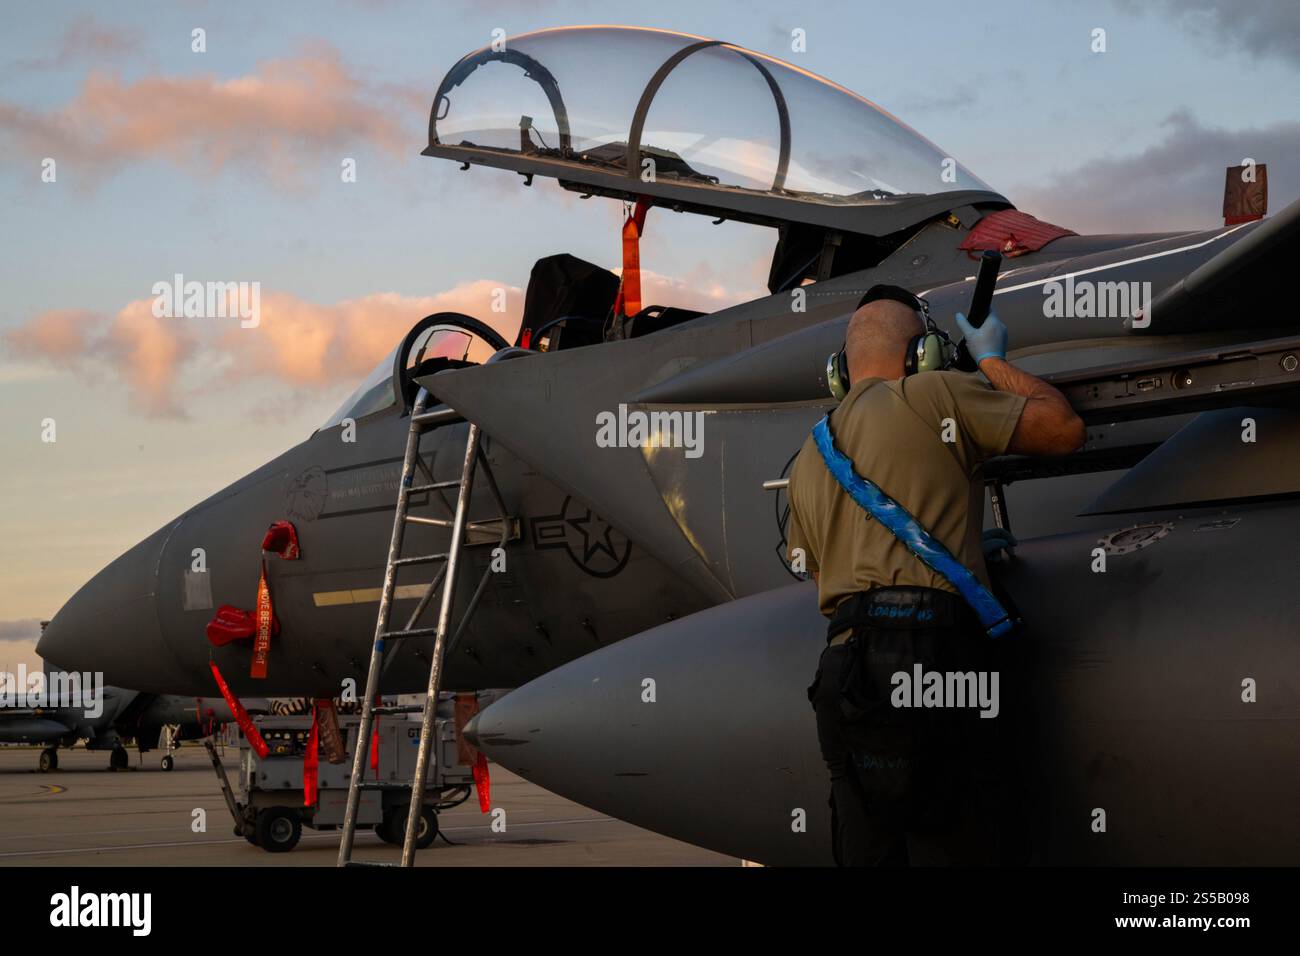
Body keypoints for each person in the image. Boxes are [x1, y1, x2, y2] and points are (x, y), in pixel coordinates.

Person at [787, 291, 1084, 866]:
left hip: (843, 671)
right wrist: (992, 360)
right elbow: (1062, 429)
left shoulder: (809, 454)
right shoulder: (935, 394)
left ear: (839, 373)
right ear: (923, 354)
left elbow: (819, 574)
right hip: (931, 652)